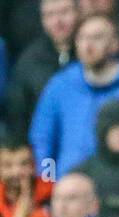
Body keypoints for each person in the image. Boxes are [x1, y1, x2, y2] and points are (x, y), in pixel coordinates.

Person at [29, 14, 119, 174]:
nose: (87, 45)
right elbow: (43, 140)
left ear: (115, 44)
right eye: (82, 38)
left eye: (97, 38)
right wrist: (48, 182)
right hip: (68, 187)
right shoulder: (61, 84)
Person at [5, 0, 78, 140]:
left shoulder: (94, 55)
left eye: (64, 12)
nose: (58, 21)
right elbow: (17, 114)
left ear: (79, 11)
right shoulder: (29, 61)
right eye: (49, 15)